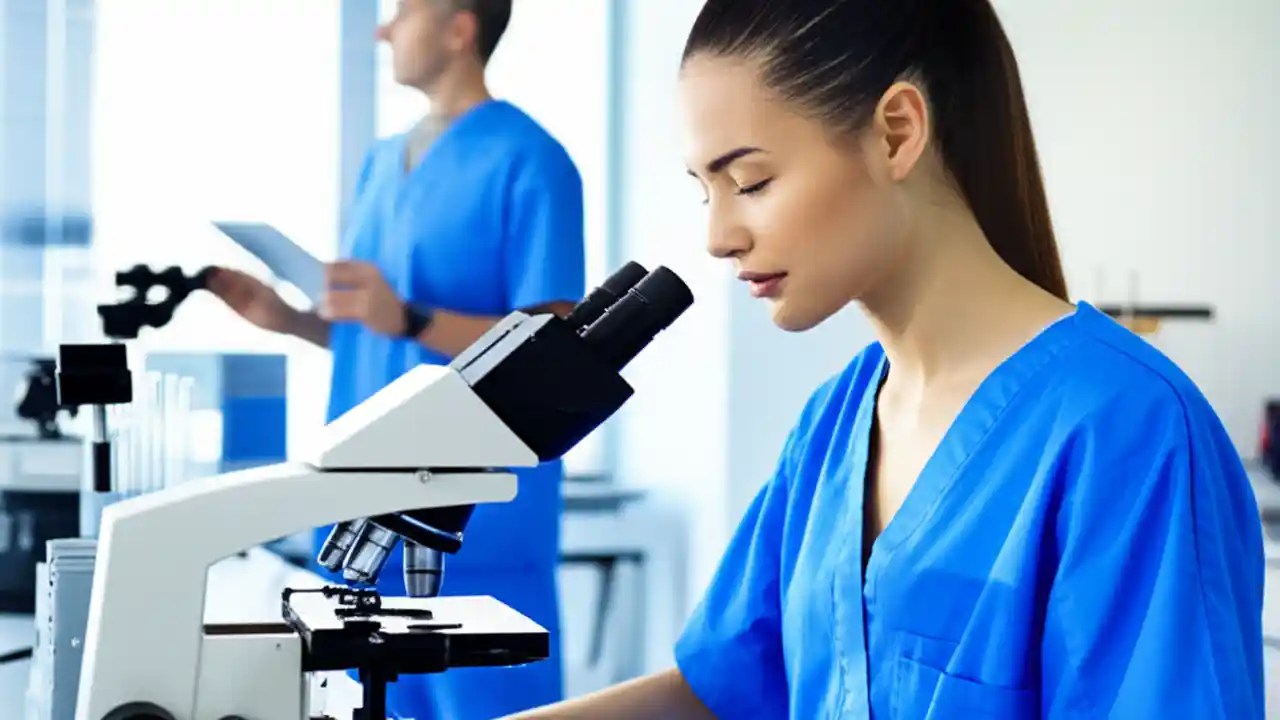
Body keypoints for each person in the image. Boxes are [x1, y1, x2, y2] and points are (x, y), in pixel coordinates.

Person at [506, 0, 1265, 718]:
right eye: (708, 192)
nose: (719, 236)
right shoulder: (834, 425)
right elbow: (725, 692)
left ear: (898, 132)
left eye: (752, 182)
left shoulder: (1127, 432)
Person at [208, 0, 583, 717]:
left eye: (401, 12)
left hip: (475, 524)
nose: (383, 30)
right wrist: (286, 319)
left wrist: (408, 315)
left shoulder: (532, 160)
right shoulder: (381, 162)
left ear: (459, 27)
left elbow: (554, 352)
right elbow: (382, 344)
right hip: (363, 507)